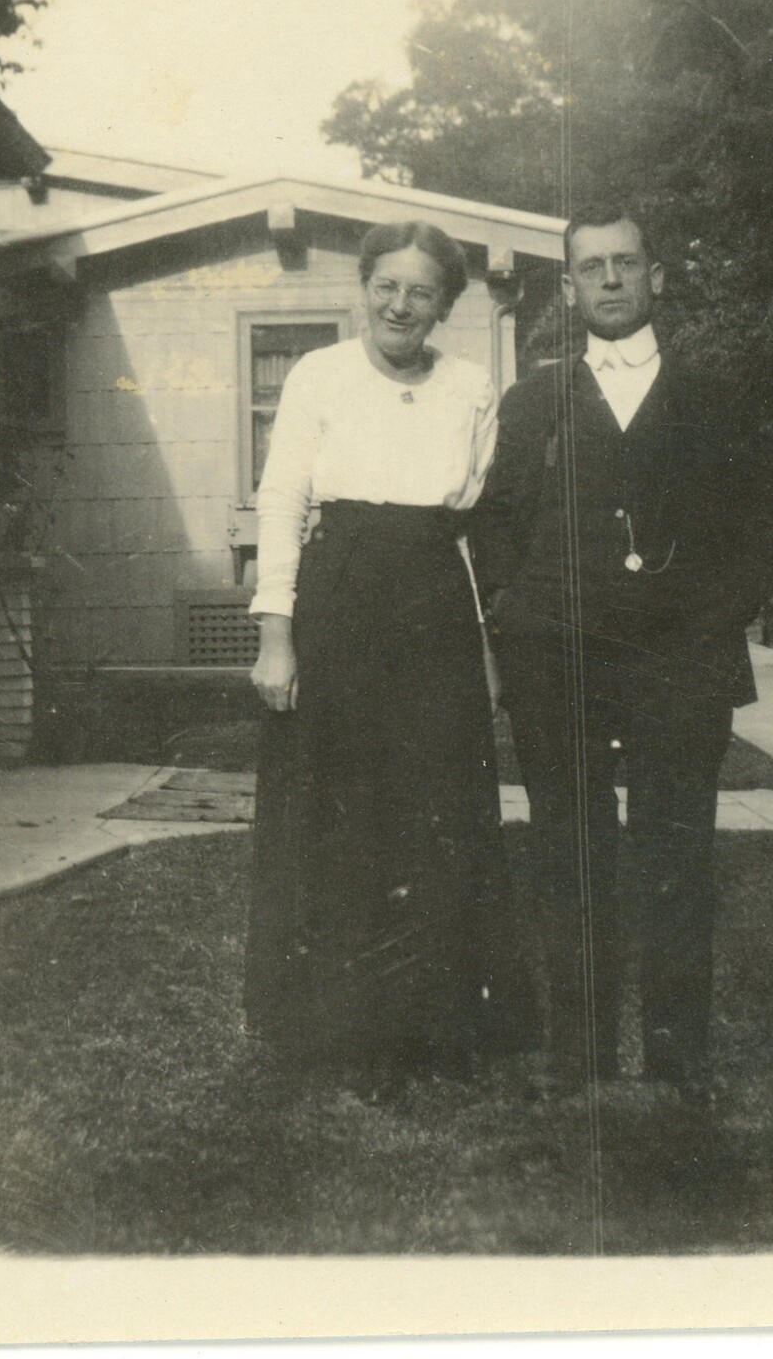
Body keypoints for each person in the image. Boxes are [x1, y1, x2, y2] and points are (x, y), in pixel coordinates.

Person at [473, 203, 773, 1102]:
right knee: (569, 855)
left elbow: (761, 535)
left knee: (676, 857)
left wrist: (701, 622)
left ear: (658, 276)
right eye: (591, 268)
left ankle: (680, 1060)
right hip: (558, 667)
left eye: (626, 263)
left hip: (682, 671)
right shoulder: (534, 402)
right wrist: (521, 613)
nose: (610, 280)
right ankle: (583, 1060)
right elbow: (497, 528)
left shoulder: (715, 398)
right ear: (568, 288)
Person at [244, 220, 523, 1087]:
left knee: (440, 809)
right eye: (386, 286)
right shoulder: (319, 374)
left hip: (434, 602)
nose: (400, 305)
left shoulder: (474, 387)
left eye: (422, 292)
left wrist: (484, 648)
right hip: (340, 603)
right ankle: (343, 1032)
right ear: (364, 287)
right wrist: (276, 637)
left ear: (446, 304)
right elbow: (284, 499)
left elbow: (474, 516)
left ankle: (439, 1028)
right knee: (344, 816)